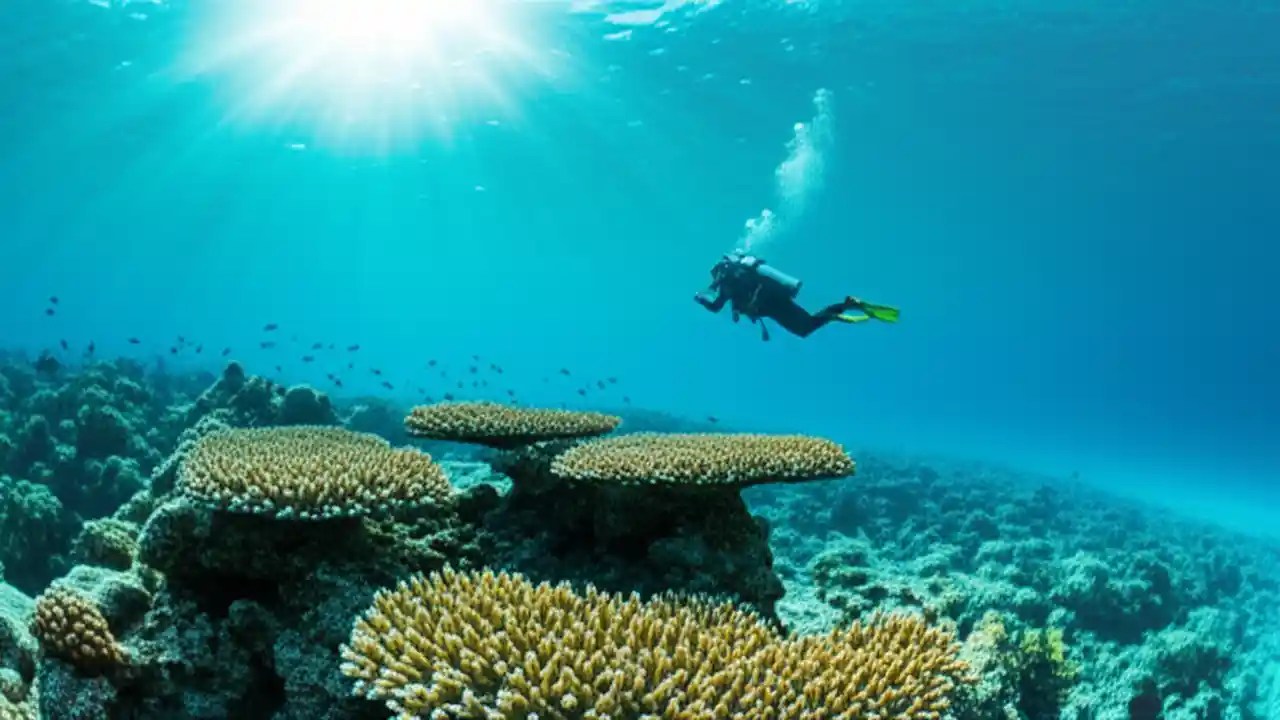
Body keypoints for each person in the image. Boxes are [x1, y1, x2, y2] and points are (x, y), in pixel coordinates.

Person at [694, 250, 898, 340]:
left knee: (804, 328)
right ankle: (841, 307)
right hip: (776, 300)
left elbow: (715, 307)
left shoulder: (726, 287)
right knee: (805, 326)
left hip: (772, 306)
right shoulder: (739, 276)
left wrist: (700, 298)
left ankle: (845, 305)